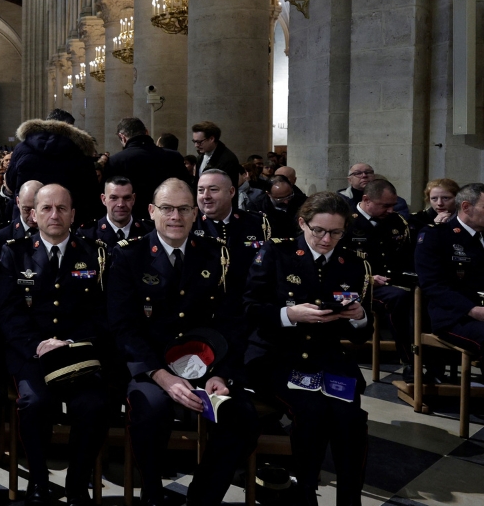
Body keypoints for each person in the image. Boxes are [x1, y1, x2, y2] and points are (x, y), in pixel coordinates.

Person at [107, 178, 258, 506]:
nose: (175, 216)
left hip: (207, 366)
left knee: (242, 415)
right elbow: (123, 327)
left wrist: (223, 374)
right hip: (151, 367)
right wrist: (162, 376)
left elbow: (233, 322)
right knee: (151, 409)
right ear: (152, 211)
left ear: (195, 215)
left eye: (184, 209)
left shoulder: (217, 255)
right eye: (167, 209)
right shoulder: (129, 257)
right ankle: (152, 493)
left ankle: (203, 496)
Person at [244, 192, 372, 506]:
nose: (327, 239)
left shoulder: (352, 264)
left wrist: (359, 317)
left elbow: (361, 334)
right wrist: (289, 315)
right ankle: (304, 496)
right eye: (319, 231)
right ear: (303, 223)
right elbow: (249, 308)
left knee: (350, 417)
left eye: (336, 232)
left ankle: (349, 500)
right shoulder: (276, 253)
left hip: (326, 357)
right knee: (312, 412)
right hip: (277, 356)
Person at [0, 184, 113, 505]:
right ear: (33, 215)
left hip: (79, 355)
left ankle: (77, 483)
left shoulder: (95, 253)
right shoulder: (14, 252)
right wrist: (38, 345)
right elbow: (8, 313)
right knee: (34, 404)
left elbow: (104, 313)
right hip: (33, 356)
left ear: (73, 214)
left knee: (95, 405)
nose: (55, 215)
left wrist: (71, 342)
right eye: (46, 208)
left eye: (62, 208)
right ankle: (37, 481)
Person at [346, 179, 417, 380]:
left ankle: (433, 361)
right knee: (398, 298)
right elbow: (337, 262)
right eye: (385, 205)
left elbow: (407, 257)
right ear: (367, 199)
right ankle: (409, 360)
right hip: (359, 286)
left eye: (393, 205)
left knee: (424, 295)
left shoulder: (396, 222)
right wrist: (366, 278)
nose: (391, 210)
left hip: (393, 281)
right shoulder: (346, 221)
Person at [414, 183, 484, 359]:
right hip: (456, 317)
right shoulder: (437, 236)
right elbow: (432, 285)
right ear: (467, 207)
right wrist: (473, 310)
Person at [7, 113, 103, 225]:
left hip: (27, 219)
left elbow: (10, 183)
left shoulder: (22, 148)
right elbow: (90, 190)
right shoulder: (80, 152)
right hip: (64, 220)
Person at [194, 169, 271, 294]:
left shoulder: (257, 223)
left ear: (231, 192)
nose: (206, 196)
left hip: (246, 302)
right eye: (200, 190)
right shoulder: (189, 225)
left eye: (213, 190)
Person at [105, 118, 191, 217]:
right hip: (168, 216)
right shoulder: (174, 157)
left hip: (133, 219)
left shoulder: (115, 161)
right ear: (146, 132)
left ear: (122, 137)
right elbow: (186, 189)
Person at [77, 176, 152, 249]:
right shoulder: (87, 234)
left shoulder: (150, 231)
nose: (121, 204)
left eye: (127, 198)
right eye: (114, 198)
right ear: (103, 199)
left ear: (133, 199)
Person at [190, 121, 240, 187]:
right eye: (194, 141)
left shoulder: (228, 159)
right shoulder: (200, 157)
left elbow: (228, 189)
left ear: (211, 139)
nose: (196, 145)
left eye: (199, 142)